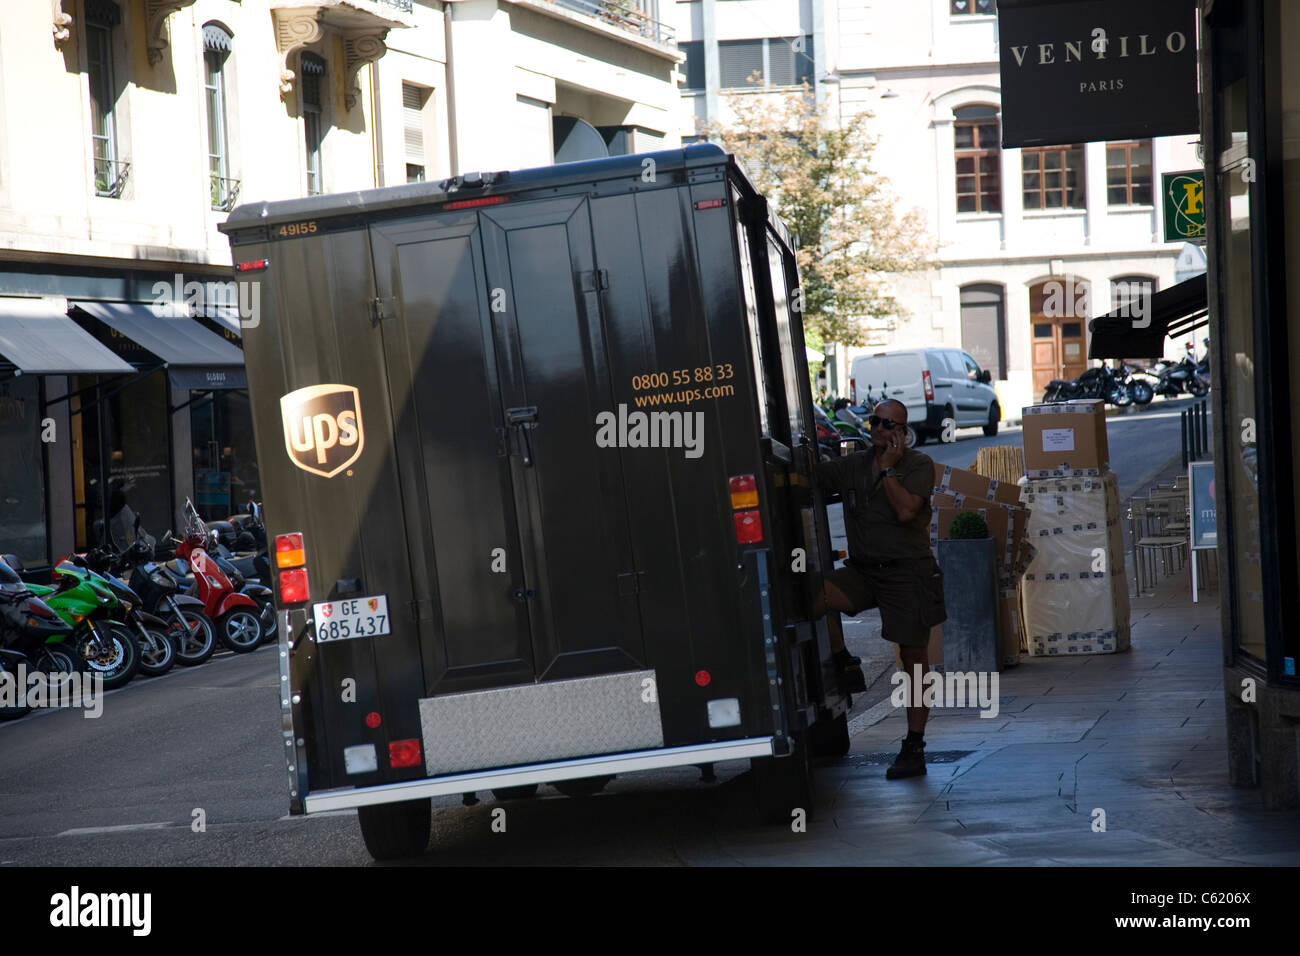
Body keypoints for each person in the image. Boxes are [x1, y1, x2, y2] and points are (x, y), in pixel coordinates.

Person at [814, 399, 946, 779]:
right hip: (864, 572)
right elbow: (814, 476)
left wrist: (888, 472)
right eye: (876, 422)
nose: (881, 429)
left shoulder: (918, 465)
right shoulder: (854, 464)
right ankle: (844, 660)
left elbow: (906, 512)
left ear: (903, 433)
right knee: (811, 594)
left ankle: (914, 746)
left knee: (913, 659)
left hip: (907, 574)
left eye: (890, 425)